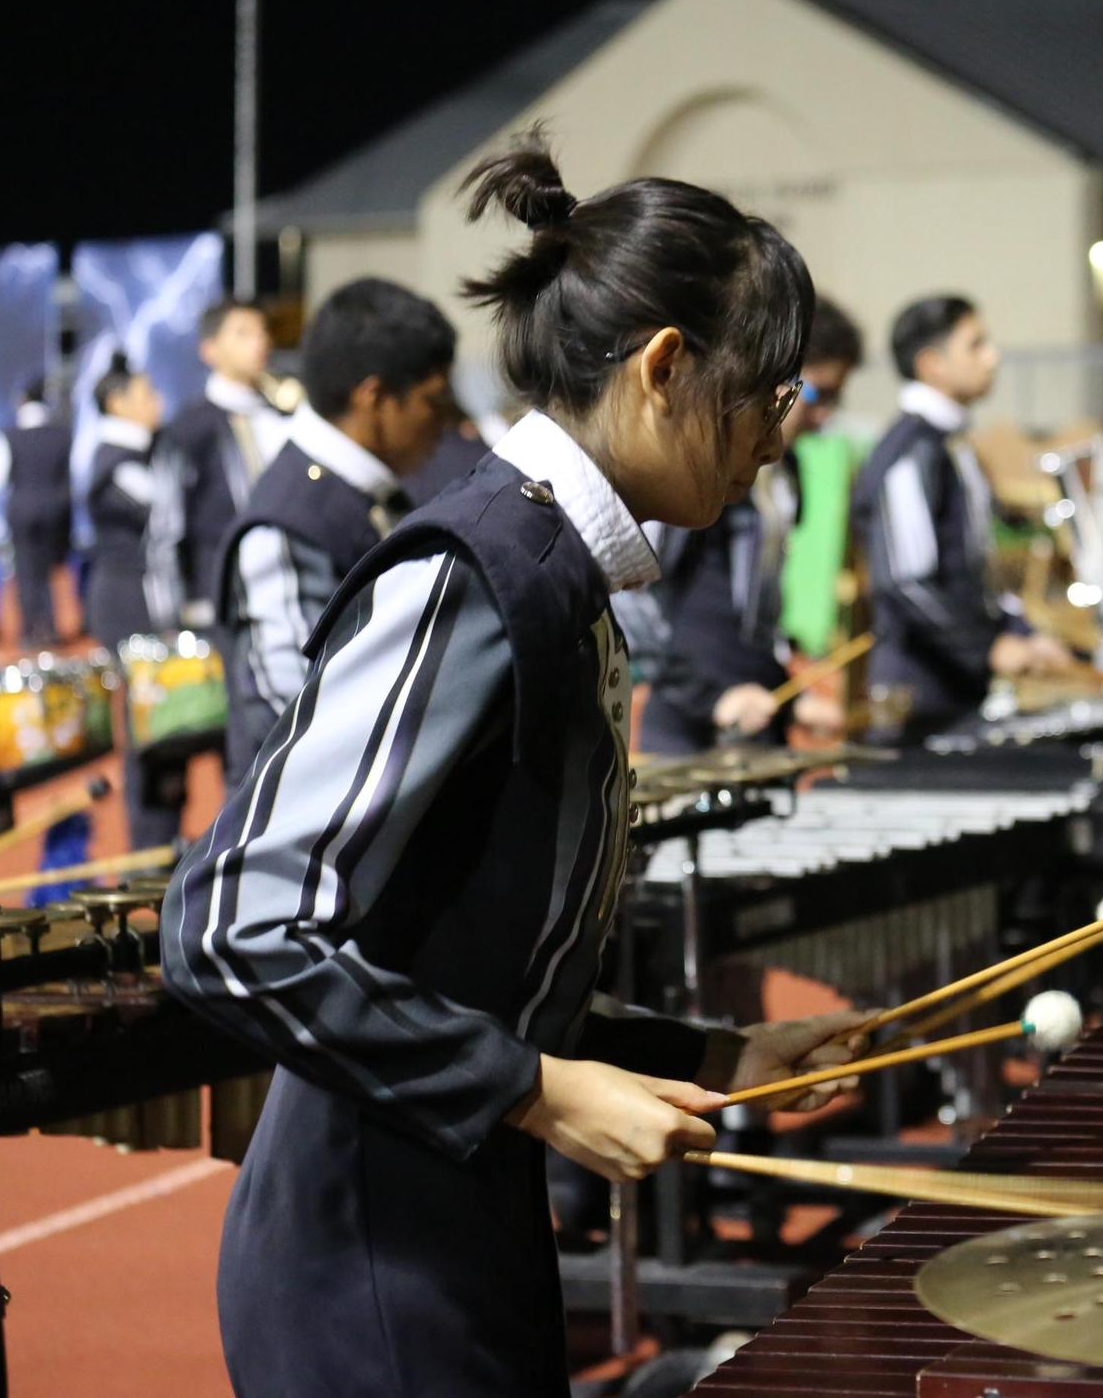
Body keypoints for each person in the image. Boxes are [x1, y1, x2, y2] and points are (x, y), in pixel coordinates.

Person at [160, 131, 868, 1398]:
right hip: (371, 1260)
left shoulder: (559, 572)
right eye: (770, 395)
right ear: (664, 368)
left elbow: (470, 960)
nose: (778, 436)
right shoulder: (472, 575)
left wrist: (710, 1060)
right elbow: (228, 926)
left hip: (460, 1213)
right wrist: (536, 1093)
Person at [217, 277, 457, 775]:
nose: (444, 423)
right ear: (375, 397)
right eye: (433, 402)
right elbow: (294, 713)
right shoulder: (285, 525)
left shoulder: (370, 493)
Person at [636, 295, 862, 754]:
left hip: (755, 711)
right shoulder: (702, 468)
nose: (823, 417)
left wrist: (790, 699)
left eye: (834, 399)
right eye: (816, 395)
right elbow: (638, 598)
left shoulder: (790, 472)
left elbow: (758, 617)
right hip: (690, 719)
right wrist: (711, 697)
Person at [850, 294, 1073, 740]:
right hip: (921, 702)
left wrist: (1021, 632)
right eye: (975, 345)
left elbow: (970, 570)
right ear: (932, 364)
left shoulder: (949, 443)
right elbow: (907, 581)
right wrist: (990, 646)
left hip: (955, 689)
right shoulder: (912, 451)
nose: (993, 357)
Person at [80, 356, 185, 847]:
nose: (157, 403)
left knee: (174, 718)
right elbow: (167, 513)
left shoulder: (147, 452)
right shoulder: (114, 463)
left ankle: (166, 835)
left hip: (153, 601)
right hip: (127, 604)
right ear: (116, 404)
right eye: (145, 395)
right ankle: (149, 844)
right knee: (148, 722)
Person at [165, 299, 289, 622]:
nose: (259, 343)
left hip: (282, 581)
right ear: (209, 350)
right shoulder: (191, 426)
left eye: (262, 332)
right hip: (219, 587)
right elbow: (170, 520)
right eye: (243, 334)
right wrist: (189, 599)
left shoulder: (285, 415)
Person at [0, 377, 73, 647]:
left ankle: (31, 629)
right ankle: (49, 628)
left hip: (21, 508)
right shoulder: (62, 435)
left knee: (25, 570)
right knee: (46, 570)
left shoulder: (10, 435)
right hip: (55, 509)